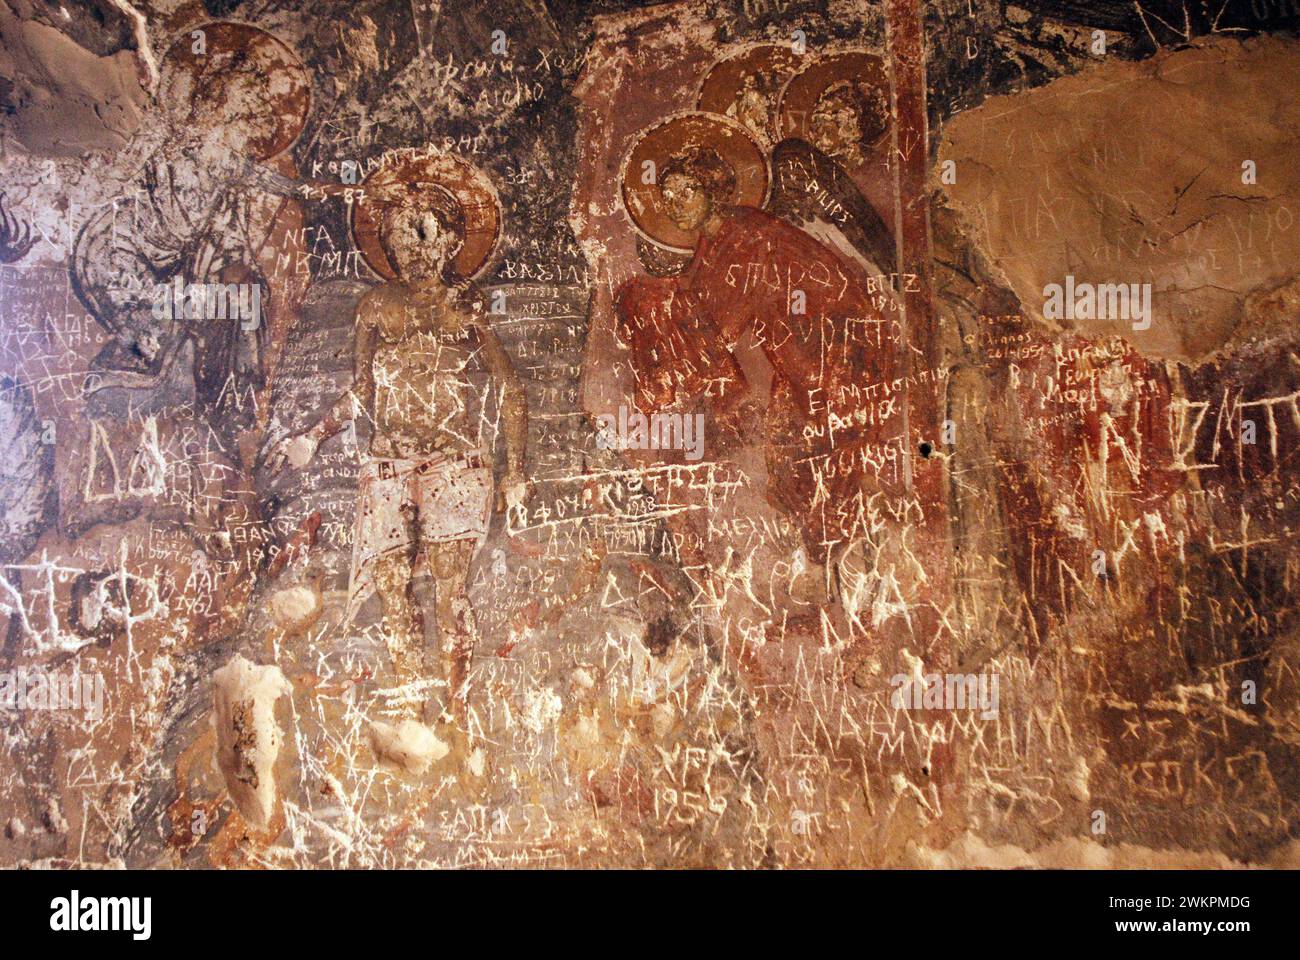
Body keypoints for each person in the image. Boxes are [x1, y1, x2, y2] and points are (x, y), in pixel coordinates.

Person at [269, 186, 529, 723]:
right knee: (392, 586)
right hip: (389, 463)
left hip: (454, 463)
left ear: (451, 241)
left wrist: (516, 470)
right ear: (384, 247)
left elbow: (508, 388)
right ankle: (410, 707)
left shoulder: (465, 305)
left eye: (425, 235)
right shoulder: (376, 307)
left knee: (451, 586)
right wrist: (312, 435)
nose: (413, 251)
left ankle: (457, 710)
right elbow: (361, 390)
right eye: (399, 240)